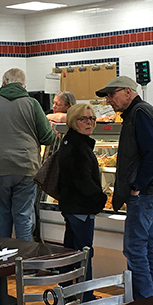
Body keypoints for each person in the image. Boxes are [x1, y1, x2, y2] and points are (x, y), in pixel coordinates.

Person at [95, 75, 153, 305]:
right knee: (148, 247)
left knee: (135, 249)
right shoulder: (140, 112)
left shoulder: (139, 113)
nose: (109, 100)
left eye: (112, 94)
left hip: (146, 193)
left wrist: (137, 186)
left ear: (128, 91)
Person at [0, 68, 55, 241]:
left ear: (3, 83)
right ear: (24, 85)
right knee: (23, 218)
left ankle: (2, 256)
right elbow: (48, 138)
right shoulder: (32, 103)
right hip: (26, 168)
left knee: (0, 219)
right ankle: (24, 257)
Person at [56, 103, 107, 281]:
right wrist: (100, 198)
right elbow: (82, 180)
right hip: (81, 209)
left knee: (70, 252)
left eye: (92, 118)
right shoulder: (78, 147)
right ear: (72, 121)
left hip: (71, 206)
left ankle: (66, 289)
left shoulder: (70, 142)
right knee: (84, 253)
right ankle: (85, 292)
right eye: (83, 119)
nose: (89, 123)